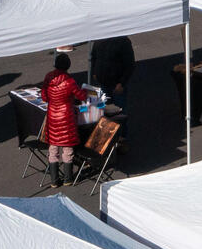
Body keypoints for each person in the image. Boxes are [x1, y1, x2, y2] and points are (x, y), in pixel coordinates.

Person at [41, 53, 87, 186]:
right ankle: (68, 178)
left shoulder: (48, 77)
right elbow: (82, 96)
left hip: (52, 116)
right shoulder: (69, 81)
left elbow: (44, 97)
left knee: (53, 148)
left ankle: (54, 181)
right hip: (66, 116)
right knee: (68, 148)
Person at [90, 34, 137, 102]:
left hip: (116, 84)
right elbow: (93, 57)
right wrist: (94, 72)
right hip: (102, 82)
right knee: (103, 108)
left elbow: (130, 64)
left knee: (118, 109)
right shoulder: (99, 38)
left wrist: (122, 83)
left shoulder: (123, 41)